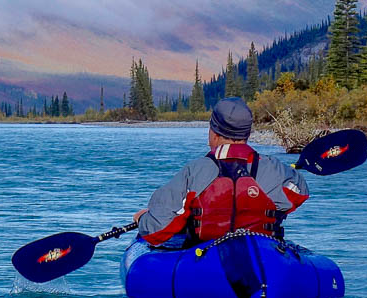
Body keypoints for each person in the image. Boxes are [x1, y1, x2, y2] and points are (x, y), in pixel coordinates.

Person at [133, 98, 310, 248]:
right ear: (247, 133)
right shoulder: (275, 169)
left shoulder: (195, 171)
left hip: (207, 259)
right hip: (262, 256)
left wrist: (142, 220)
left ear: (215, 133)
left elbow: (157, 229)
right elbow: (300, 194)